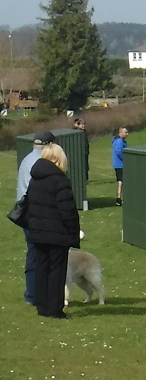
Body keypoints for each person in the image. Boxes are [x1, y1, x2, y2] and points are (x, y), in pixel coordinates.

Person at [24, 143, 80, 319]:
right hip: (57, 233)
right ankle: (55, 309)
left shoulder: (35, 178)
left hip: (38, 231)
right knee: (57, 271)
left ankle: (42, 306)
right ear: (59, 158)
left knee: (41, 268)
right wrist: (73, 231)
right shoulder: (60, 180)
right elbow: (67, 210)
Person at [17, 129, 56, 305]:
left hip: (26, 214)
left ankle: (33, 294)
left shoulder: (26, 159)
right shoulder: (41, 163)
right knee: (40, 255)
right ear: (48, 145)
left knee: (33, 253)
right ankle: (37, 294)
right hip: (37, 215)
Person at [111, 127, 128, 206]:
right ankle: (119, 199)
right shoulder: (119, 141)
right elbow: (118, 152)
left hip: (118, 164)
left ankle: (119, 199)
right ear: (120, 133)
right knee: (121, 181)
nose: (127, 134)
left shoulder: (118, 141)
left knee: (120, 181)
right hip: (120, 165)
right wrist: (125, 158)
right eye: (125, 132)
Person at [71, 117, 90, 185]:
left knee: (86, 166)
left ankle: (86, 179)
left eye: (84, 124)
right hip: (80, 152)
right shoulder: (77, 132)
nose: (83, 126)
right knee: (81, 166)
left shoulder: (84, 132)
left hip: (85, 152)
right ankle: (82, 179)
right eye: (82, 124)